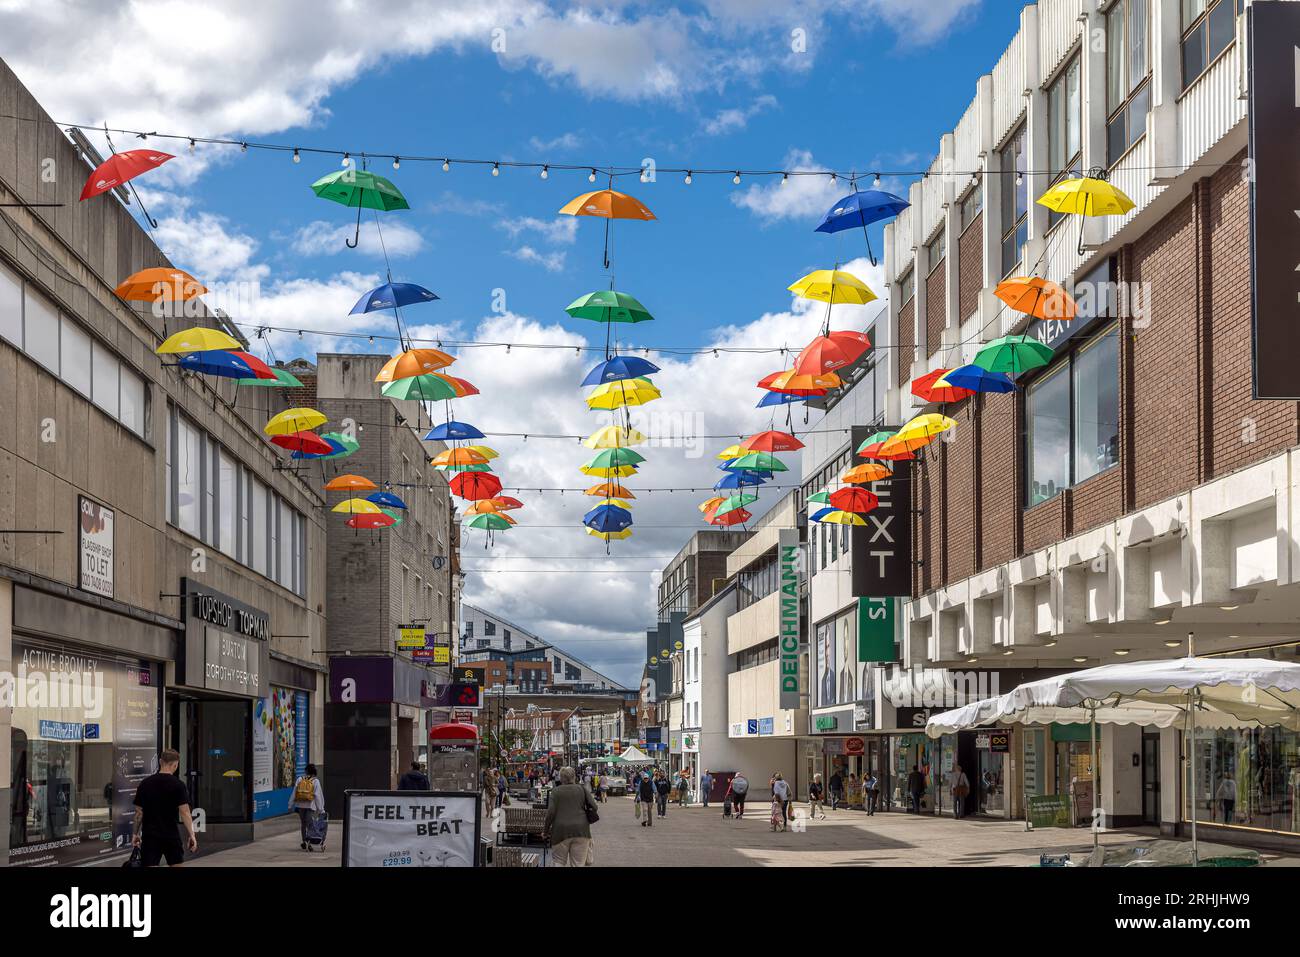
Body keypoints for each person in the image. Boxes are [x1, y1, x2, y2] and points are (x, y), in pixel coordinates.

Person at [133, 749, 197, 866]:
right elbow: (185, 813)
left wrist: (135, 834)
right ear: (175, 765)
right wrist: (192, 835)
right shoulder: (178, 785)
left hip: (150, 836)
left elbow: (138, 813)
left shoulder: (145, 783)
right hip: (171, 836)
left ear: (160, 761)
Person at [544, 766, 597, 866]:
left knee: (558, 862)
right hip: (581, 831)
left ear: (561, 777)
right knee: (578, 864)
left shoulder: (556, 791)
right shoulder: (582, 789)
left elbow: (550, 812)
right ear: (574, 777)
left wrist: (545, 831)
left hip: (560, 831)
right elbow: (594, 807)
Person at [291, 762, 325, 848]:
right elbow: (318, 795)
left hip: (300, 805)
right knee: (310, 824)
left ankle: (304, 841)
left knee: (303, 824)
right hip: (310, 805)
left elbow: (294, 792)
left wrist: (290, 804)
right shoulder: (315, 781)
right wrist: (321, 809)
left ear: (306, 771)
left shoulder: (300, 779)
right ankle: (309, 841)